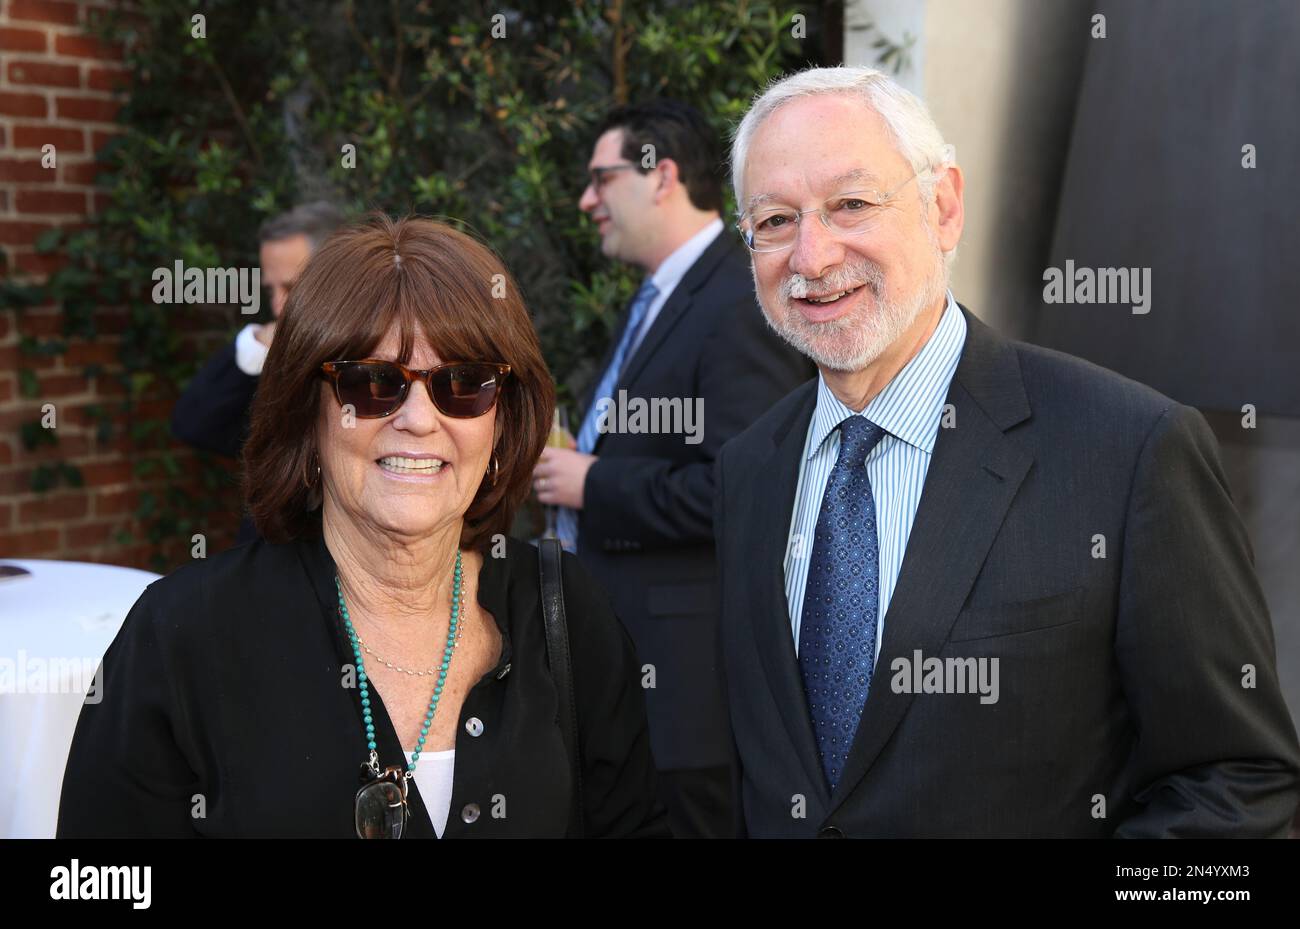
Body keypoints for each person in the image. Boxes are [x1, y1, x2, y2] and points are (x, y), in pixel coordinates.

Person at [714, 66, 1300, 837]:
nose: (813, 256)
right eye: (776, 220)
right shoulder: (749, 470)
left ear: (944, 206)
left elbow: (1239, 780)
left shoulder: (1127, 449)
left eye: (851, 204)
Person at [59, 215, 668, 838]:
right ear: (307, 414)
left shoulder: (561, 611)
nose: (418, 420)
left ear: (502, 422)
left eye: (462, 384)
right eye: (374, 383)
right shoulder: (181, 635)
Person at [531, 99, 811, 838]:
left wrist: (590, 483)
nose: (587, 199)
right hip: (632, 677)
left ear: (661, 176)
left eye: (601, 178)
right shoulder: (661, 296)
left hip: (687, 699)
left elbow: (745, 486)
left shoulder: (738, 298)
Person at [171, 201, 344, 543]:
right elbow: (193, 424)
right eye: (271, 289)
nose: (278, 305)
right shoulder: (271, 359)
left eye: (291, 288)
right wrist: (256, 348)